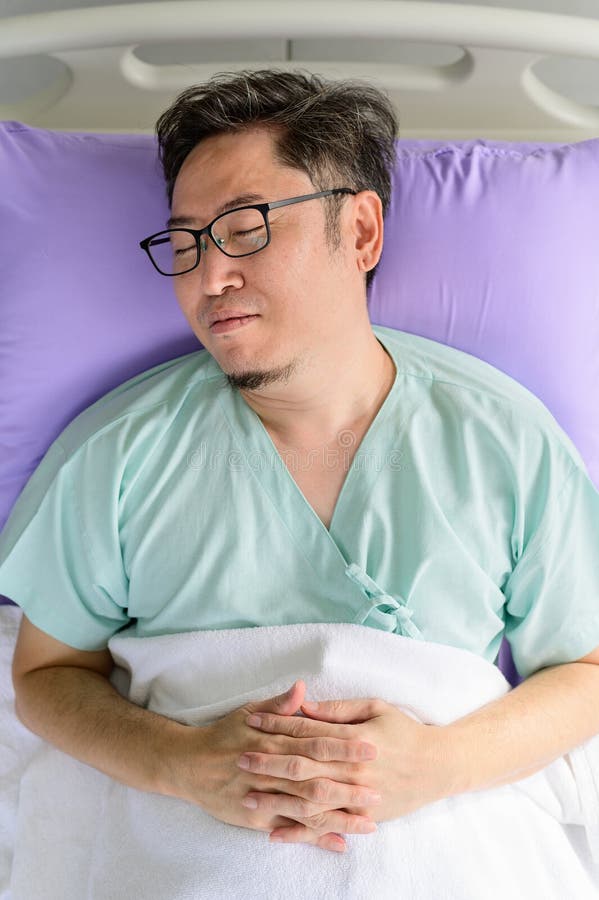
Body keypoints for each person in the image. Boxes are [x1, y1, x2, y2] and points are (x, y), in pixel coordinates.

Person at [2, 69, 599, 858]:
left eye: (245, 227)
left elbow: (585, 668)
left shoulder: (502, 439)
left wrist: (438, 764)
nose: (209, 278)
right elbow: (46, 676)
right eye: (184, 243)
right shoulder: (118, 451)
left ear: (359, 233)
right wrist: (181, 764)